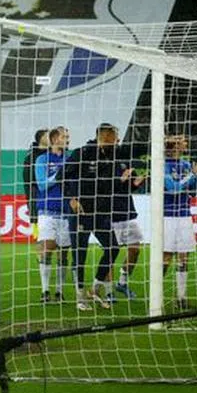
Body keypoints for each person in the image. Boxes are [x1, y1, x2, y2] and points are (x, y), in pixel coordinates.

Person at [64, 123, 143, 311]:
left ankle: (96, 286)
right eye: (114, 136)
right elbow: (63, 176)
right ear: (105, 136)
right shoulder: (83, 152)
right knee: (79, 255)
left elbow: (112, 187)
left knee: (113, 247)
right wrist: (71, 198)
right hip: (81, 212)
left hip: (101, 213)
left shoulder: (114, 156)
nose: (117, 140)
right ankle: (80, 297)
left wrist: (129, 183)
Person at [163, 135, 197, 309]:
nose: (186, 143)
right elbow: (173, 188)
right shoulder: (163, 165)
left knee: (184, 257)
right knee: (166, 256)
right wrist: (194, 173)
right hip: (167, 215)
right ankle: (156, 294)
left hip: (184, 214)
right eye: (182, 141)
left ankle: (181, 297)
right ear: (174, 145)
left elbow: (192, 191)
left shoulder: (186, 164)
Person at [33, 126, 72, 304]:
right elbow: (41, 185)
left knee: (64, 254)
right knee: (47, 248)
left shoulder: (71, 159)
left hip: (66, 212)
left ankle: (59, 291)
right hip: (47, 211)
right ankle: (45, 291)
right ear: (55, 139)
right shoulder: (42, 159)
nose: (68, 139)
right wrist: (59, 175)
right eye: (65, 137)